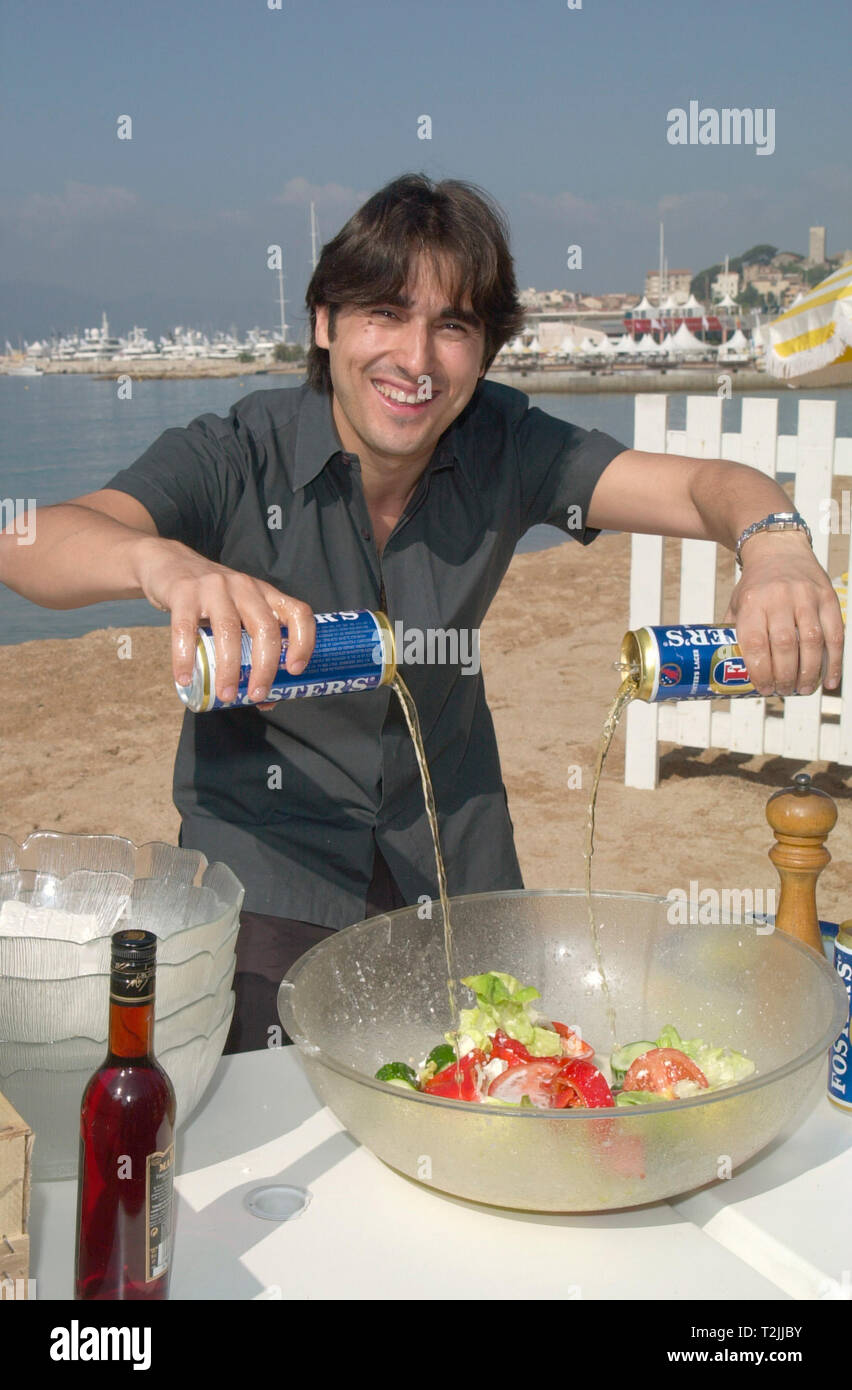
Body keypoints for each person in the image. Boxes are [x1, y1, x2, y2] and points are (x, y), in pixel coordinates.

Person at [0, 173, 843, 1052]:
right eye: (384, 315)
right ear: (325, 325)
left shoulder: (504, 445)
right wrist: (160, 562)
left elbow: (709, 486)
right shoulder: (235, 454)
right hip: (269, 879)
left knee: (502, 1086)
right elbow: (29, 540)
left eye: (453, 326)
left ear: (483, 354)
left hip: (460, 859)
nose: (415, 358)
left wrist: (776, 545)